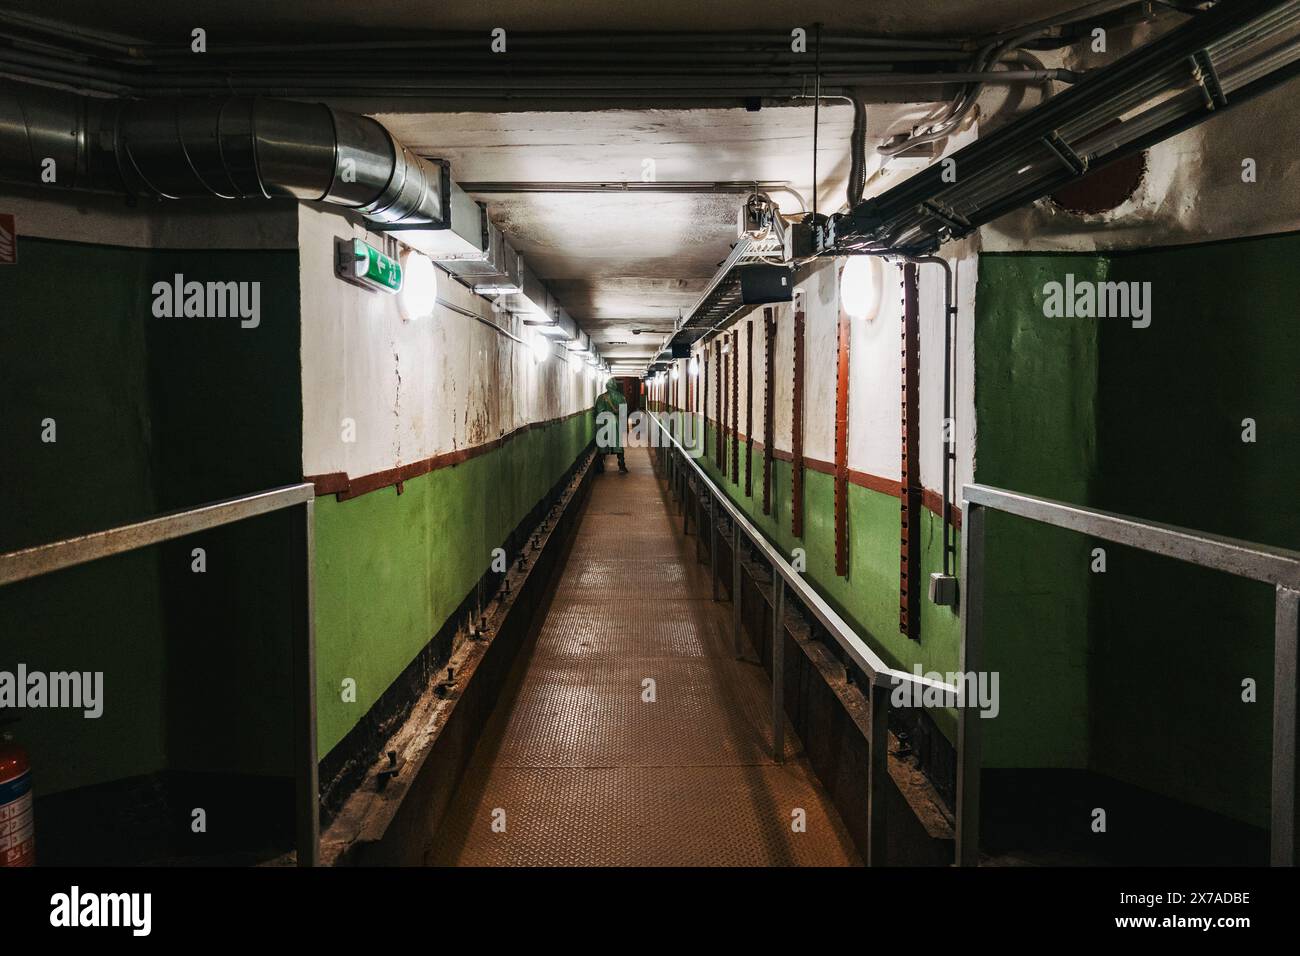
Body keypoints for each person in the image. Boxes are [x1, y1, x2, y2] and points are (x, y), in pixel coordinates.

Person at [593, 377, 628, 473]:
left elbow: (597, 413)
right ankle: (621, 466)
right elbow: (624, 413)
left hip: (604, 423)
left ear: (607, 385)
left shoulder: (601, 397)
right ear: (615, 385)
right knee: (618, 443)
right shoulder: (621, 397)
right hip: (615, 422)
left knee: (602, 444)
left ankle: (600, 466)